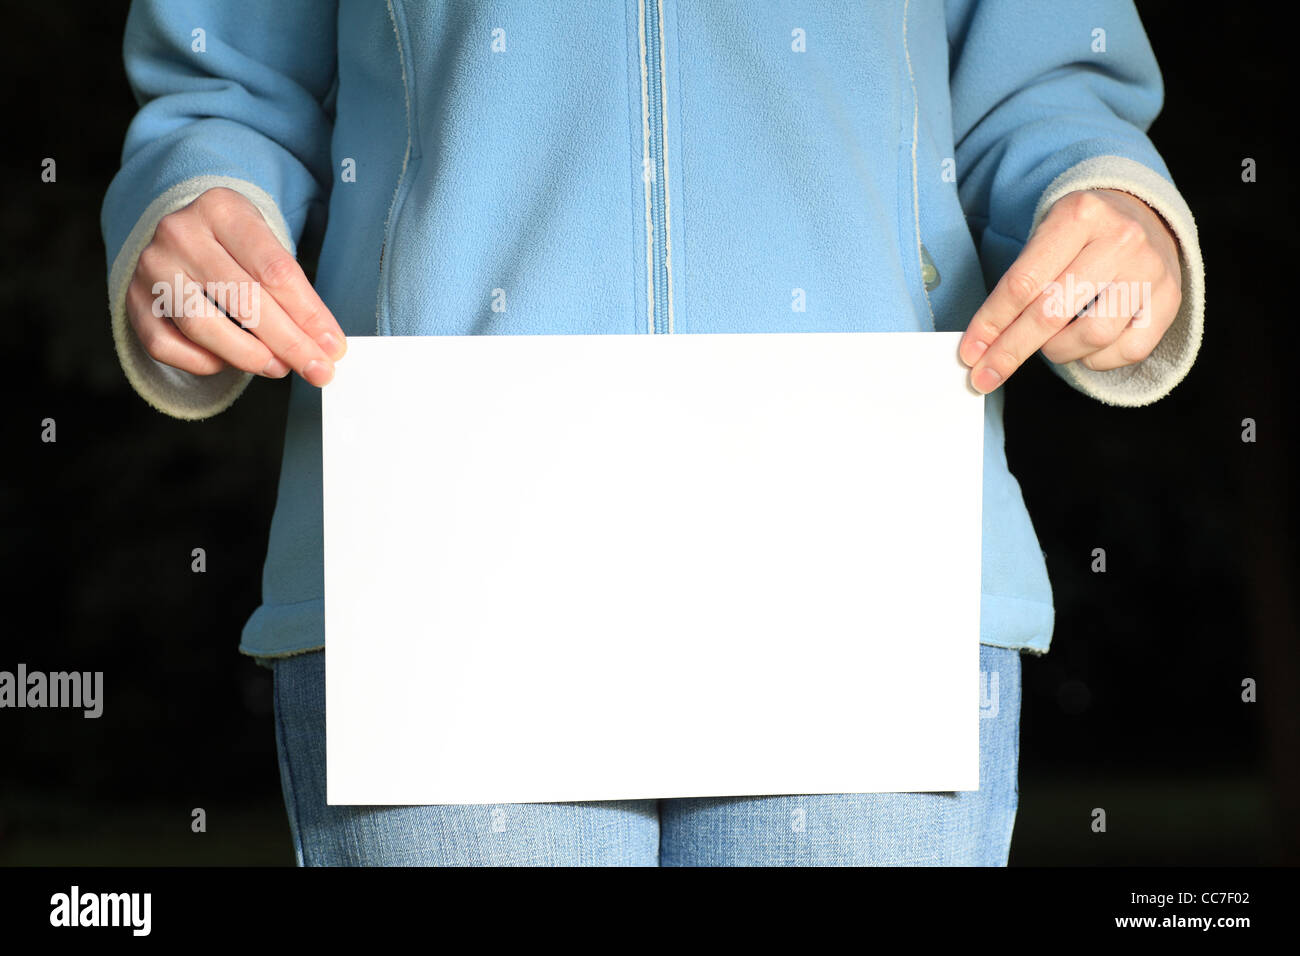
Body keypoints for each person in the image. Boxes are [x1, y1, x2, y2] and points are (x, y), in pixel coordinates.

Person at [101, 0, 1203, 866]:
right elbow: (225, 83)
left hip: (864, 541)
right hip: (445, 543)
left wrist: (1106, 200)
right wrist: (195, 203)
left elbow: (1047, 78)